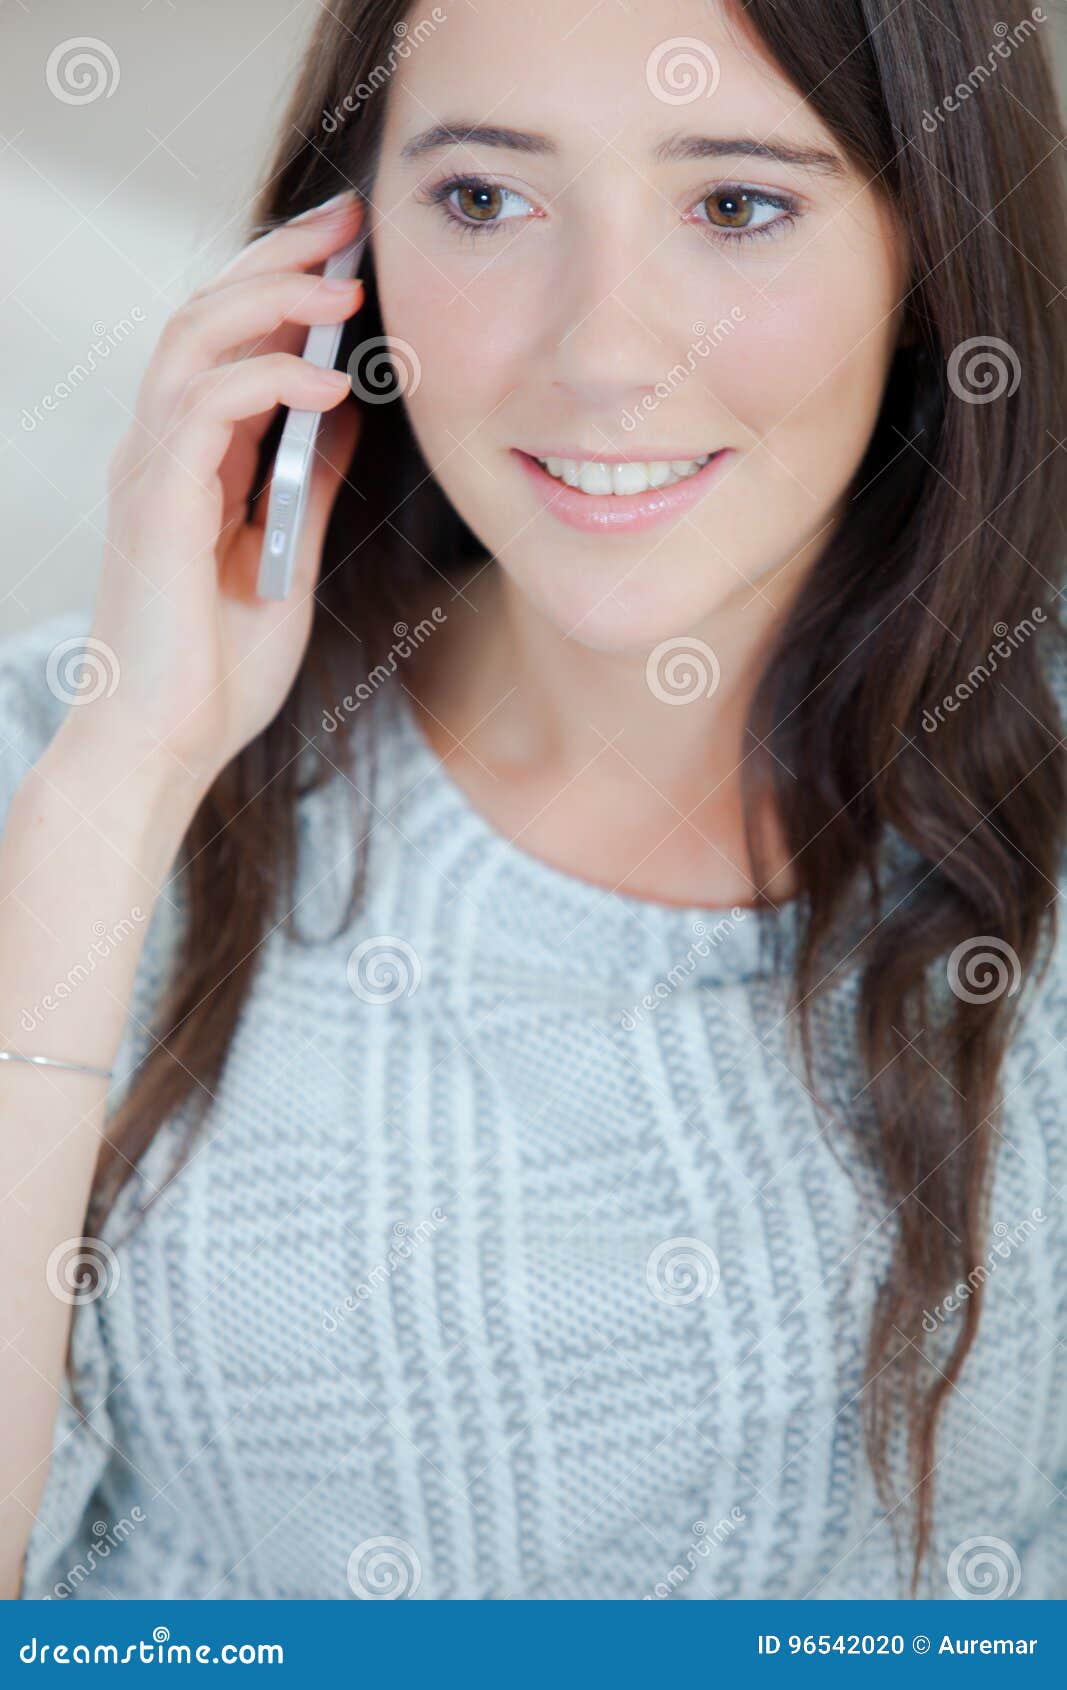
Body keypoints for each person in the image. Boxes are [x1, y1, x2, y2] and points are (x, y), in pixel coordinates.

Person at [1, 0, 1065, 1601]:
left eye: (736, 204)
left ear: (931, 255)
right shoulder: (70, 757)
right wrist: (125, 783)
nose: (604, 354)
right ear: (341, 260)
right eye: (485, 198)